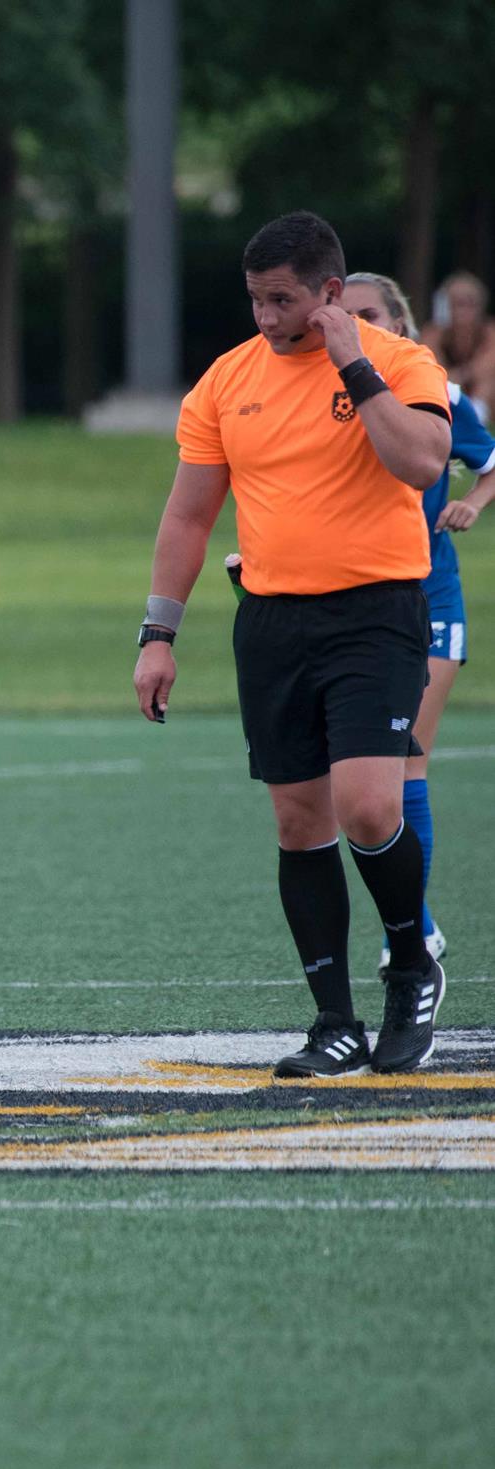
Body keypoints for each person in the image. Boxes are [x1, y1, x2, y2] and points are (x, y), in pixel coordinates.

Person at [134, 212, 453, 1077]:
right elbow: (189, 517)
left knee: (369, 808)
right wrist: (158, 635)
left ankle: (411, 970)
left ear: (330, 292)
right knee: (298, 820)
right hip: (273, 622)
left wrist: (355, 364)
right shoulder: (226, 380)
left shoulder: (399, 362)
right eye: (256, 300)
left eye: (283, 300)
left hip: (377, 613)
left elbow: (423, 464)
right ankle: (334, 1023)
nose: (267, 318)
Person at [342, 273, 495, 969]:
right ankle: (416, 927)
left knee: (407, 763)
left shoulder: (438, 391)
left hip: (430, 601)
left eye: (370, 315)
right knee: (353, 782)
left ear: (399, 324)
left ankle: (407, 932)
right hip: (356, 605)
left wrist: (473, 504)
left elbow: (489, 462)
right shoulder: (322, 398)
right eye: (344, 316)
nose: (355, 327)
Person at [422, 273, 495, 415]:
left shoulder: (489, 331)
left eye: (470, 303)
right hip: (447, 390)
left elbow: (489, 364)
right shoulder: (434, 333)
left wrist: (461, 375)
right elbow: (430, 367)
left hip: (481, 393)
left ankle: (477, 415)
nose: (464, 310)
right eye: (458, 303)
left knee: (488, 380)